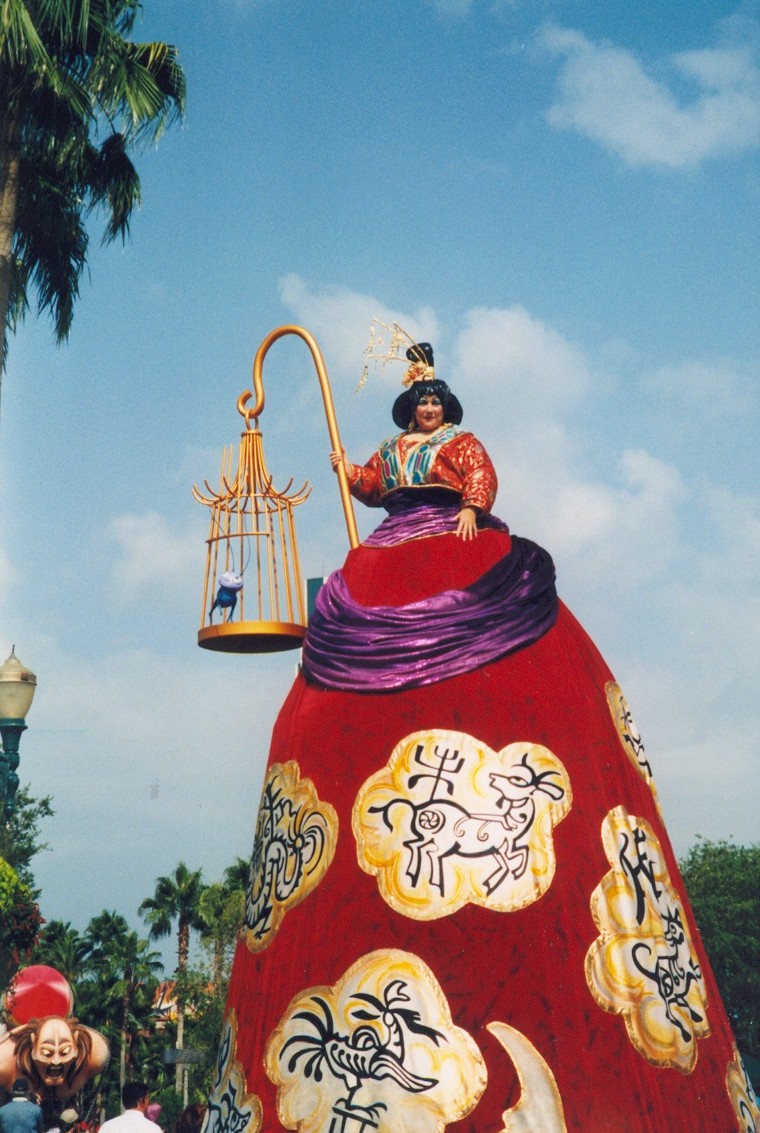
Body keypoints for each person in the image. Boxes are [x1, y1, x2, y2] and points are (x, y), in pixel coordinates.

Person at [213, 339, 751, 1132]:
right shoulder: (393, 452)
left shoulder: (460, 448)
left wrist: (470, 507)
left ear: (447, 407)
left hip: (462, 543)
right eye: (420, 401)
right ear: (408, 409)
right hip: (385, 555)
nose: (429, 408)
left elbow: (481, 479)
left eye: (436, 400)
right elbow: (370, 486)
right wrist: (348, 472)